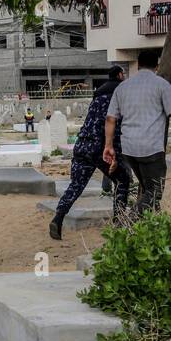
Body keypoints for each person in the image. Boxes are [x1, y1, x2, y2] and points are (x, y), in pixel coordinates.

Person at [103, 49, 171, 219]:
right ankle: (129, 220)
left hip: (129, 149)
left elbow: (110, 119)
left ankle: (152, 226)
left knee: (146, 187)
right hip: (152, 149)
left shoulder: (123, 87)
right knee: (155, 191)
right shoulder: (161, 85)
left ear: (138, 64)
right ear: (156, 66)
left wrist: (108, 146)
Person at [50, 67, 128, 240]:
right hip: (100, 147)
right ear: (120, 76)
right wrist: (116, 152)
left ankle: (58, 217)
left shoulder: (97, 96)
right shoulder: (118, 97)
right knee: (122, 180)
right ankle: (119, 222)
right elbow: (113, 126)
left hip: (82, 144)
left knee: (76, 185)